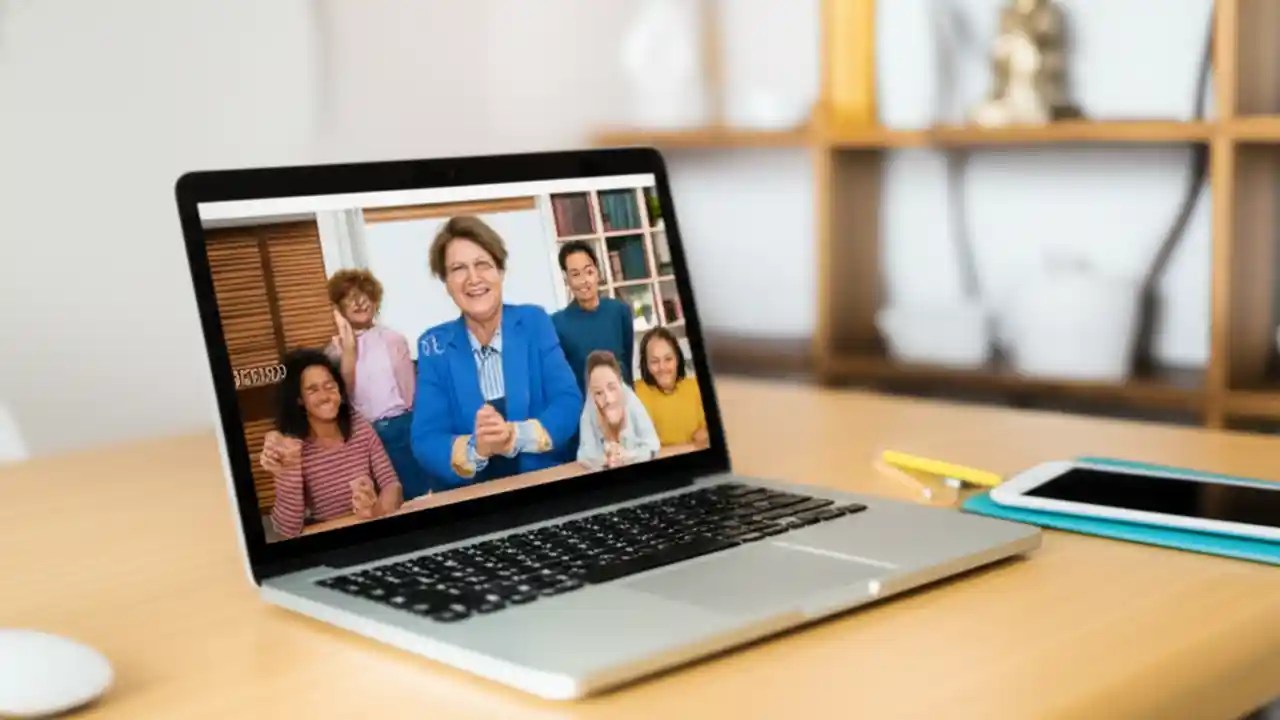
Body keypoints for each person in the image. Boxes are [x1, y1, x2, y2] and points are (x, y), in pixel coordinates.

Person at [410, 216, 583, 488]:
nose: (473, 279)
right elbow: (425, 439)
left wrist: (514, 436)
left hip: (543, 486)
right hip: (475, 501)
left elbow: (568, 402)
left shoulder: (534, 322)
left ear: (500, 272)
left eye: (483, 264)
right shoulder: (433, 346)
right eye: (458, 269)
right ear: (446, 283)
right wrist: (476, 448)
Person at [262, 349, 403, 539]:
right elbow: (288, 529)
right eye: (313, 390)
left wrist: (376, 513)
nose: (325, 396)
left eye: (330, 386)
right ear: (299, 400)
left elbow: (391, 484)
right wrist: (288, 469)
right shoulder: (292, 447)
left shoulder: (359, 426)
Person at [322, 269, 432, 499]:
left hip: (401, 426)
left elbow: (412, 394)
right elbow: (341, 396)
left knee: (416, 495)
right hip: (361, 435)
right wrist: (349, 351)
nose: (360, 302)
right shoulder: (333, 353)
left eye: (365, 295)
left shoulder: (393, 339)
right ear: (339, 308)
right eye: (350, 297)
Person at [551, 240, 635, 392]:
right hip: (587, 409)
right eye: (575, 274)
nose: (584, 281)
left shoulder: (619, 311)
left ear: (598, 272)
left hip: (624, 404)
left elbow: (627, 365)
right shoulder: (558, 324)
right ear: (566, 279)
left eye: (589, 272)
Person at [576, 350, 659, 470]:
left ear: (619, 381)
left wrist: (627, 456)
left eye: (612, 388)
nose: (608, 399)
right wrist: (606, 459)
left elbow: (653, 446)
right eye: (599, 392)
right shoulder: (590, 408)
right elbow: (583, 455)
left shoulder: (631, 401)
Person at [634, 326, 709, 448]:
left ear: (677, 359)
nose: (662, 368)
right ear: (645, 364)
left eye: (668, 359)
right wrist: (693, 446)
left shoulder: (695, 386)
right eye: (654, 361)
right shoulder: (637, 394)